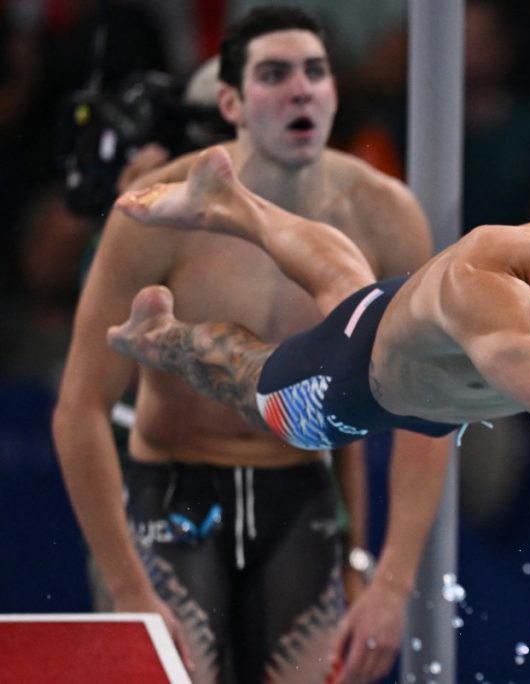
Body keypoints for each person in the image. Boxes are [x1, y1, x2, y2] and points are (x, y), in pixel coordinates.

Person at [107, 144, 530, 597]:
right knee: (278, 401)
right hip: (368, 376)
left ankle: (232, 204)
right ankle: (161, 332)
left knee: (348, 291)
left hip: (421, 340)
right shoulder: (490, 291)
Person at [51, 7, 446, 684]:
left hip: (298, 491)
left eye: (315, 73)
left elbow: (423, 416)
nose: (300, 90)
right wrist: (129, 591)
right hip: (172, 488)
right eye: (274, 74)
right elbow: (79, 410)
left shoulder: (382, 214)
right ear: (230, 101)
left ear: (335, 92)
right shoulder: (157, 213)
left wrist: (385, 578)